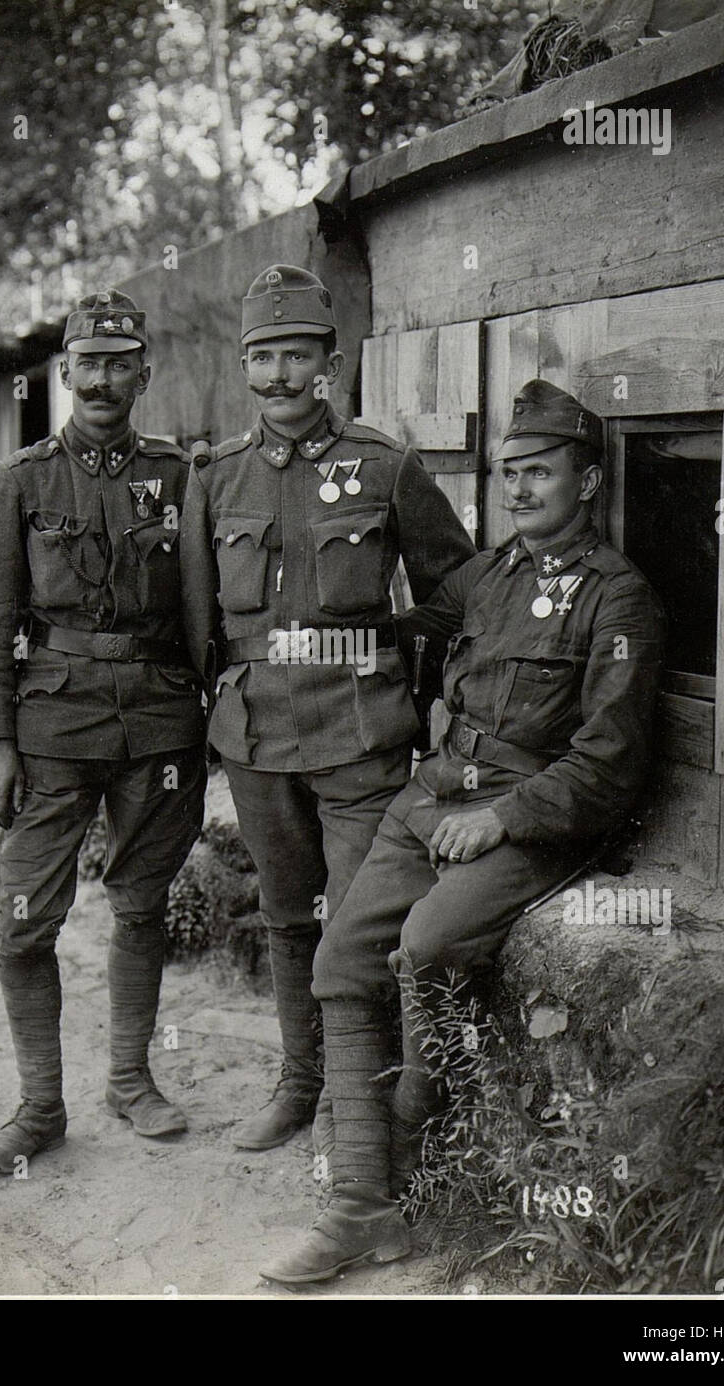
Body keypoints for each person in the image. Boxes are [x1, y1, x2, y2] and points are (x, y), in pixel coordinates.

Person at [260, 378, 666, 1282]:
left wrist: (502, 819)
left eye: (541, 473)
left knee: (429, 942)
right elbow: (393, 631)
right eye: (509, 473)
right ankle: (363, 1210)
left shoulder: (619, 601)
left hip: (534, 815)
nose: (519, 490)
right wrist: (304, 624)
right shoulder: (488, 576)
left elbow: (610, 765)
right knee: (339, 960)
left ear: (589, 482)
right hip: (436, 796)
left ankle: (404, 1126)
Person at [180, 265, 474, 1151]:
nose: (278, 375)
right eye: (261, 357)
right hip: (258, 733)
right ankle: (300, 1083)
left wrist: (404, 680)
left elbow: (455, 594)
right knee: (283, 912)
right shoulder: (216, 476)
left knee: (357, 922)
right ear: (243, 367)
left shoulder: (385, 466)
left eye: (296, 356)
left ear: (331, 362)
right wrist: (217, 715)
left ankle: (369, 1105)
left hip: (358, 735)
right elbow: (200, 623)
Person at [0, 290, 206, 1174]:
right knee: (24, 921)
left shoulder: (181, 474)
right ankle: (39, 1107)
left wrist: (212, 718)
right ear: (65, 374)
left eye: (121, 363)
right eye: (89, 365)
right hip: (52, 724)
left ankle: (131, 1080)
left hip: (159, 720)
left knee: (142, 907)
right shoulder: (21, 479)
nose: (103, 379)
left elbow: (202, 604)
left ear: (144, 373)